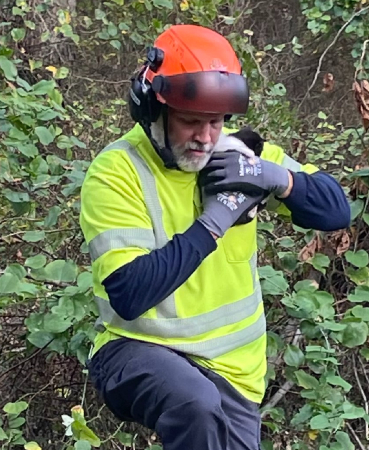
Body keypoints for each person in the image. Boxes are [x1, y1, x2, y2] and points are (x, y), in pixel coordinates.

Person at [78, 24, 351, 450]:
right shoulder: (117, 172)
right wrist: (216, 220)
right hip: (136, 351)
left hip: (234, 373)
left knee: (206, 406)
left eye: (216, 122)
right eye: (190, 121)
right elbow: (129, 294)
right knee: (195, 402)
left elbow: (337, 211)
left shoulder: (239, 155)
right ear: (154, 111)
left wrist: (275, 177)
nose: (205, 138)